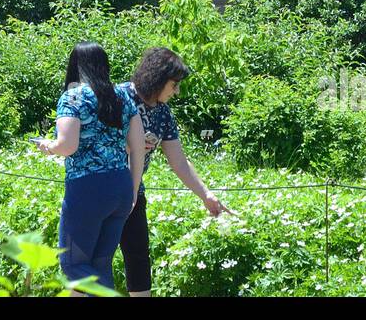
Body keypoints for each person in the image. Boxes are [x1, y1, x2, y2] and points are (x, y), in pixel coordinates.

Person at [117, 46, 230, 297]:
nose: (176, 92)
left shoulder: (163, 114)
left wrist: (206, 195)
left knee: (138, 257)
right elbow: (92, 139)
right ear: (158, 78)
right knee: (95, 257)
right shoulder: (118, 97)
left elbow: (178, 161)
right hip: (103, 188)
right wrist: (130, 145)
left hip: (134, 192)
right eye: (174, 85)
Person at [38, 41, 144, 292]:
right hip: (120, 186)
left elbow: (68, 146)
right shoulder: (124, 97)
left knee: (73, 264)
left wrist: (48, 146)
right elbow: (138, 147)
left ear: (75, 66)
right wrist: (133, 190)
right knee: (100, 263)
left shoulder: (72, 97)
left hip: (87, 188)